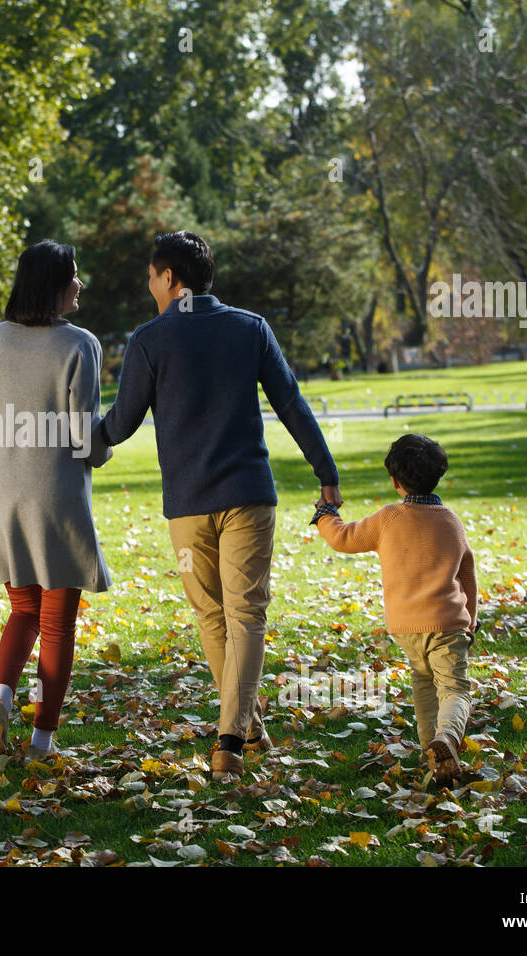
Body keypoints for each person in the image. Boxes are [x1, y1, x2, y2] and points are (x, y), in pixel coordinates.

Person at [96, 231, 341, 779]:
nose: (149, 286)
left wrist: (76, 444)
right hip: (249, 496)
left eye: (152, 277)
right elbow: (291, 404)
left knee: (214, 615)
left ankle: (229, 735)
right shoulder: (249, 328)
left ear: (170, 278)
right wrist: (326, 474)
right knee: (246, 614)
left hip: (187, 506)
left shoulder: (149, 339)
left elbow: (120, 423)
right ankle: (244, 726)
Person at [0, 240, 113, 761]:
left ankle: (0, 699)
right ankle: (43, 740)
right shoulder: (81, 345)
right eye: (74, 274)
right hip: (56, 493)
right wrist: (106, 445)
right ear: (53, 283)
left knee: (22, 609)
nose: (80, 283)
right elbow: (84, 435)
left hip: (0, 492)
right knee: (57, 622)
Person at [311, 433, 477, 786]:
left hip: (405, 628)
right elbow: (468, 576)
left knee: (423, 685)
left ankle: (431, 754)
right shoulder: (451, 521)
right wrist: (471, 621)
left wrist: (325, 514)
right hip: (447, 624)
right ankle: (446, 739)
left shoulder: (388, 519)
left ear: (395, 480)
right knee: (454, 690)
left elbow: (342, 538)